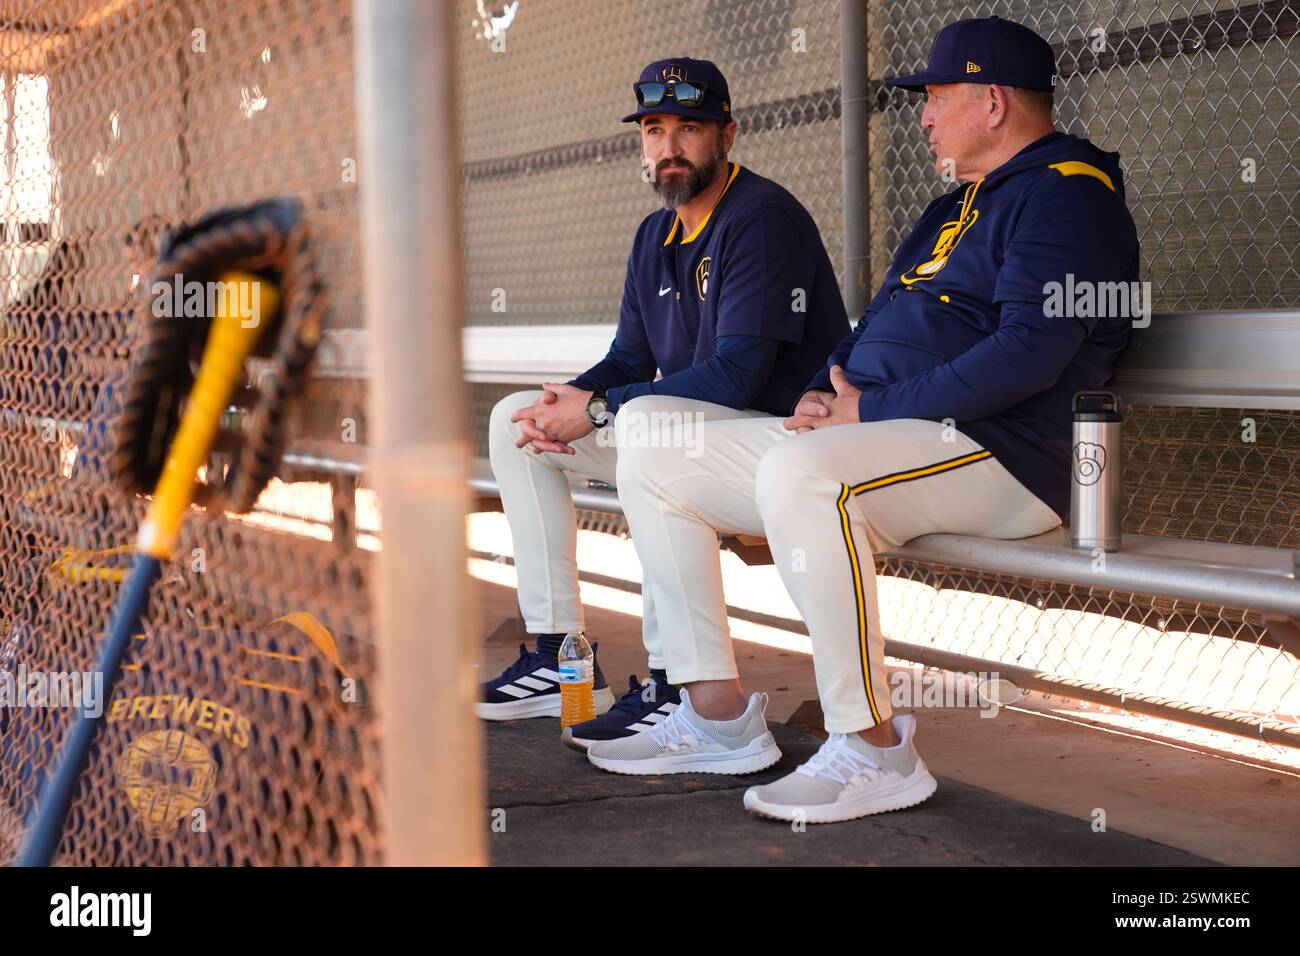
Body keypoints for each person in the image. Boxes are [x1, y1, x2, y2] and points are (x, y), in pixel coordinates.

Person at [584, 17, 1141, 824]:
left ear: (991, 103)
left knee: (803, 472)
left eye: (936, 98)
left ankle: (876, 748)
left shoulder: (1069, 199)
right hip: (886, 432)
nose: (922, 116)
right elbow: (874, 323)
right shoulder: (962, 203)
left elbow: (1029, 355)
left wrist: (866, 410)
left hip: (1002, 455)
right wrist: (818, 395)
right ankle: (712, 714)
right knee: (655, 441)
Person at [481, 58, 849, 742]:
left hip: (771, 434)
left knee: (644, 424)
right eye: (654, 130)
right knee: (513, 421)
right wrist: (572, 397)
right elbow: (630, 358)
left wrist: (597, 409)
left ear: (727, 135)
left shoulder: (762, 217)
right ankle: (560, 657)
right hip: (680, 423)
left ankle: (672, 681)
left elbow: (739, 373)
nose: (669, 147)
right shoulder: (655, 235)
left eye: (689, 128)